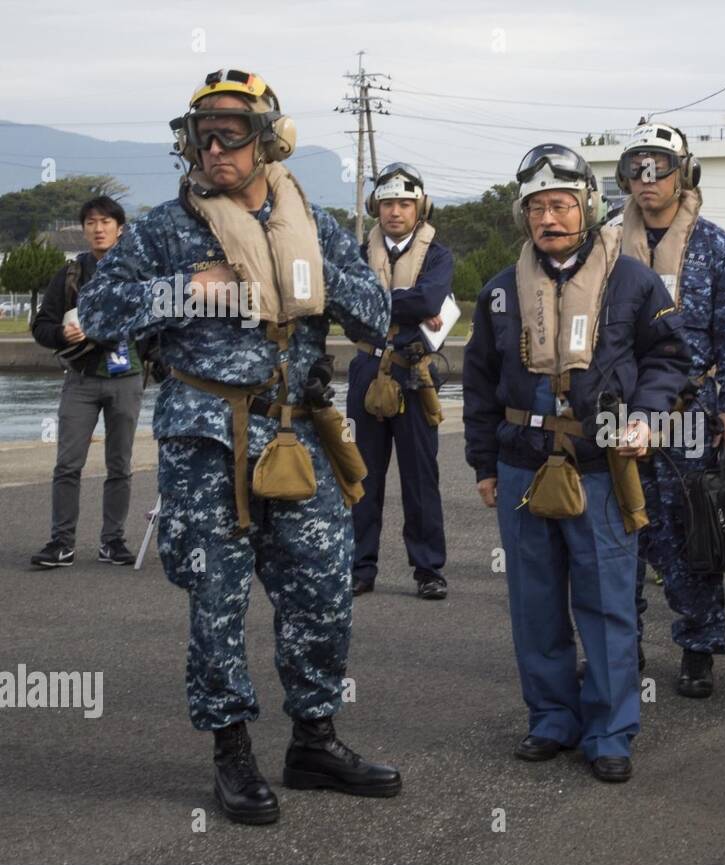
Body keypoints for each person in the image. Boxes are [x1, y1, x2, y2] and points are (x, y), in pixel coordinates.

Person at [78, 69, 400, 824]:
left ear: (268, 140)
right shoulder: (164, 228)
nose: (215, 147)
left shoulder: (314, 223)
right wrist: (189, 287)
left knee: (322, 596)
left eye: (233, 133)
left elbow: (379, 312)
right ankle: (232, 753)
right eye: (202, 134)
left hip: (298, 437)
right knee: (217, 606)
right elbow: (96, 312)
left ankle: (313, 740)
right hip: (204, 444)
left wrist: (321, 283)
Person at [462, 144, 689, 782]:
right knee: (534, 602)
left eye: (561, 204)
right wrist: (483, 464)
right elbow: (479, 385)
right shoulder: (502, 291)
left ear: (587, 206)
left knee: (607, 602)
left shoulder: (633, 280)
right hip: (520, 465)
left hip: (599, 462)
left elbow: (670, 358)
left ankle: (611, 731)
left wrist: (646, 415)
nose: (549, 218)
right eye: (537, 207)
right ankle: (552, 719)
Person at [614, 122, 725, 699]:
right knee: (617, 531)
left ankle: (698, 647)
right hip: (619, 411)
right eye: (638, 169)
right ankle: (622, 646)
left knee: (690, 531)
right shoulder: (604, 240)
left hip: (692, 407)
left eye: (660, 168)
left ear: (683, 173)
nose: (648, 181)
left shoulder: (713, 243)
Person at [349, 162, 454, 600]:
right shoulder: (358, 251)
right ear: (377, 206)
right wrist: (404, 304)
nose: (395, 211)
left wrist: (381, 302)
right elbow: (349, 305)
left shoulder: (438, 254)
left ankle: (428, 569)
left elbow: (431, 299)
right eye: (388, 202)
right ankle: (360, 566)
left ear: (420, 207)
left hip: (414, 371)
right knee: (361, 476)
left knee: (420, 477)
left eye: (405, 203)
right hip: (367, 369)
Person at [30, 197, 144, 569]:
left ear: (120, 227)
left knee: (120, 465)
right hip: (79, 380)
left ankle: (113, 542)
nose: (98, 228)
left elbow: (159, 322)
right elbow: (41, 326)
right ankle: (61, 543)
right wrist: (63, 333)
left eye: (106, 221)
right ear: (83, 229)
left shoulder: (138, 272)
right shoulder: (69, 274)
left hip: (126, 378)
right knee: (67, 465)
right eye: (92, 222)